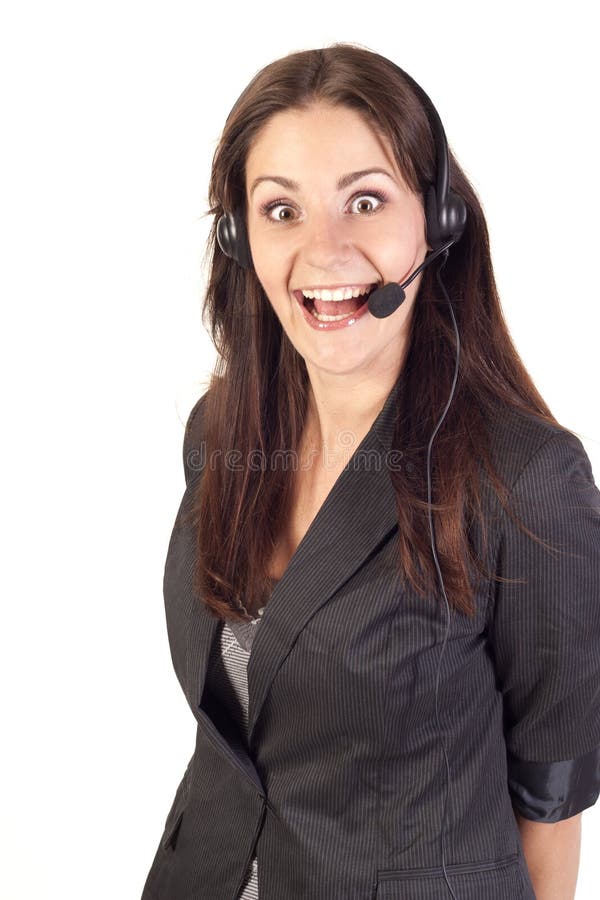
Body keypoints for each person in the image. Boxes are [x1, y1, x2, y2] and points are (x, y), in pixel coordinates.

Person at [140, 44, 600, 900]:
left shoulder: (527, 478)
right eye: (282, 210)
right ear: (241, 236)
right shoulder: (222, 433)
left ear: (438, 220)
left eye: (365, 200)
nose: (325, 250)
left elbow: (553, 793)